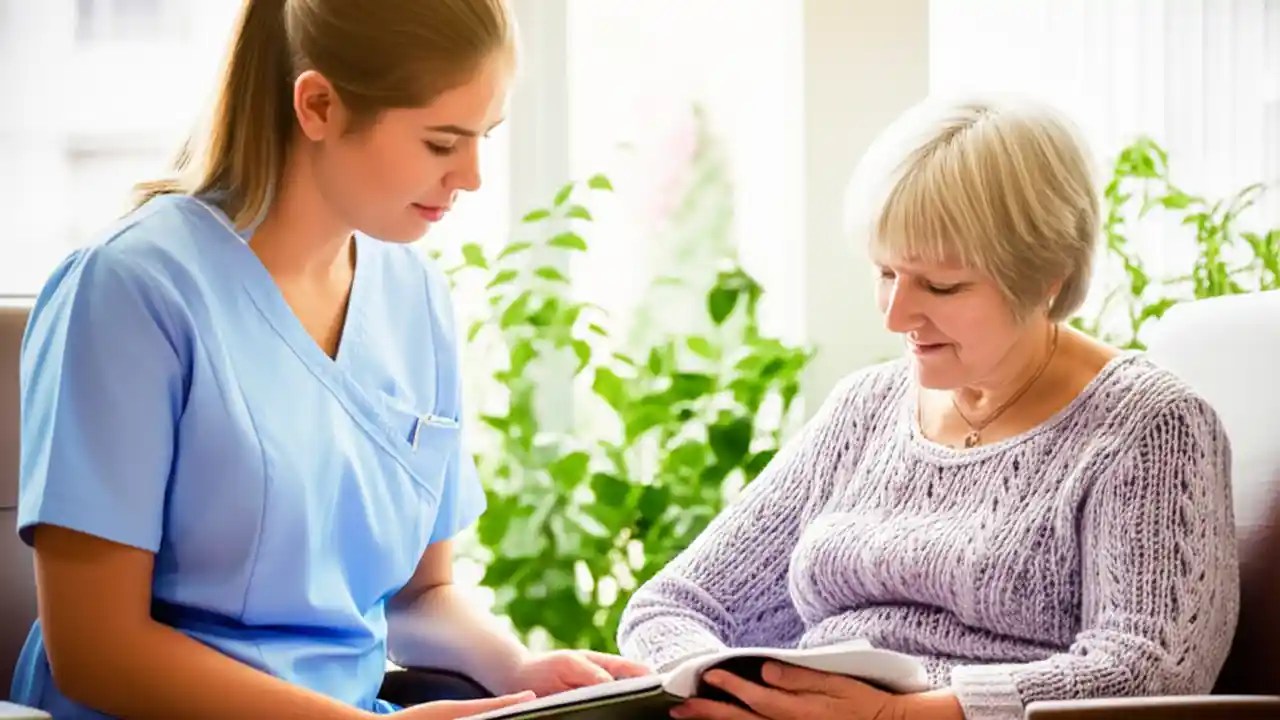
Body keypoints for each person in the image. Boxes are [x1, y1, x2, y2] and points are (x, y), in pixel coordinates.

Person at [11, 1, 647, 718]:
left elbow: (418, 595)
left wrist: (518, 670)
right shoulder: (131, 291)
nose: (470, 176)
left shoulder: (416, 298)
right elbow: (98, 649)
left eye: (483, 138)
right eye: (442, 143)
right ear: (317, 105)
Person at [617, 94, 1240, 720]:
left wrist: (901, 717)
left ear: (1047, 273)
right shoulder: (865, 409)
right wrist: (733, 695)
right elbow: (671, 605)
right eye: (886, 273)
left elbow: (1151, 670)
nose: (895, 315)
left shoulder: (1148, 428)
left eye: (941, 285)